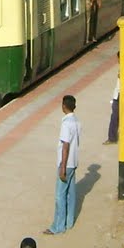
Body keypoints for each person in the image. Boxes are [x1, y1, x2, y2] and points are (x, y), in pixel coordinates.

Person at [46, 95, 81, 234]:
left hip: (65, 163)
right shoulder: (77, 121)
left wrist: (62, 167)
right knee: (70, 194)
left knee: (60, 196)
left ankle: (58, 227)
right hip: (74, 161)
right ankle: (69, 222)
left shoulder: (66, 124)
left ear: (64, 106)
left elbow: (65, 145)